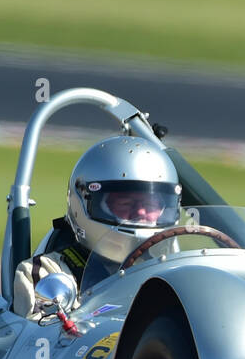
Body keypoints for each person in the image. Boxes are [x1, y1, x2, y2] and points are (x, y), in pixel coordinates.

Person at [13, 134, 183, 317]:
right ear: (84, 203)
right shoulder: (48, 273)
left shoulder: (179, 268)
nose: (141, 213)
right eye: (126, 204)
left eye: (150, 205)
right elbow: (47, 338)